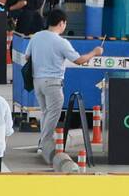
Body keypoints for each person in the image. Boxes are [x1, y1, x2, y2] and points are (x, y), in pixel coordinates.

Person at [23, 9, 103, 167]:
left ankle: (43, 143)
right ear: (61, 23)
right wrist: (95, 52)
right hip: (53, 82)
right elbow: (79, 60)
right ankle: (44, 144)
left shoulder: (37, 36)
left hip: (37, 81)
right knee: (53, 114)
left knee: (46, 113)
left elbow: (27, 56)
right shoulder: (61, 42)